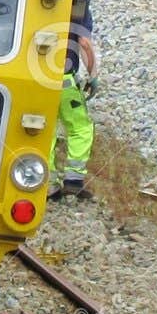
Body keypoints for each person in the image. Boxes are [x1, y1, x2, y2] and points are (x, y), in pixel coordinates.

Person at [50, 32, 98, 197]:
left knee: (46, 130)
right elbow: (84, 43)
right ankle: (73, 181)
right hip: (65, 82)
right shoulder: (78, 8)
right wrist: (92, 76)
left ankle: (47, 184)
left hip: (38, 78)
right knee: (81, 128)